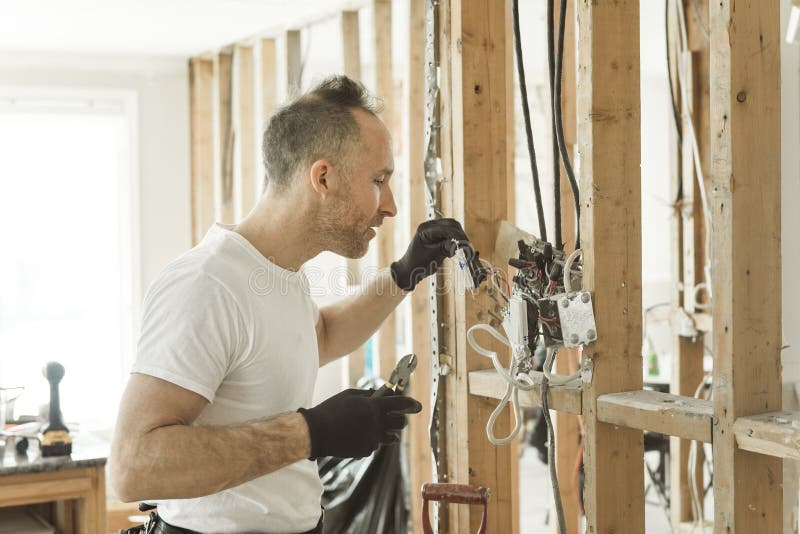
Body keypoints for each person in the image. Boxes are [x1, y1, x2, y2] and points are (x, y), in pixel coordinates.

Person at [110, 75, 471, 534]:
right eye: (379, 180)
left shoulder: (276, 272)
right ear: (322, 177)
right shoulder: (208, 284)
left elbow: (317, 337)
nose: (391, 206)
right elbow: (133, 465)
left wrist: (405, 273)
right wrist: (311, 433)